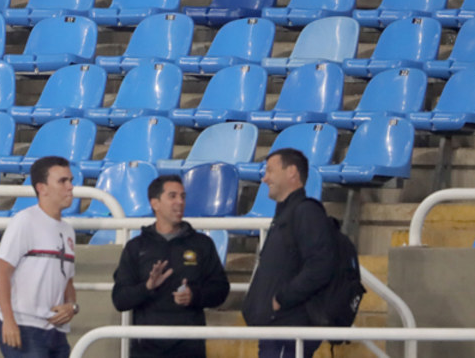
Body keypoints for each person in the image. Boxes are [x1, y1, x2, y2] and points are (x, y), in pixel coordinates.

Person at [111, 175, 230, 358]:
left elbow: (220, 290)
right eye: (172, 196)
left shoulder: (202, 244)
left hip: (190, 346)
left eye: (183, 196)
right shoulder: (136, 247)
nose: (180, 202)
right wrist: (147, 287)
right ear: (155, 203)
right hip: (147, 348)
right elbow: (120, 299)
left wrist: (194, 295)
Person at [242, 149, 336, 358]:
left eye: (270, 171)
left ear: (292, 172)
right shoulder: (286, 215)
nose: (264, 178)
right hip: (277, 328)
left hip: (290, 328)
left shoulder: (306, 212)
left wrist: (282, 299)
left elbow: (320, 266)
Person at [0, 156, 79, 357]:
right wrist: (9, 320)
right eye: (62, 181)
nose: (70, 187)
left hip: (55, 330)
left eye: (70, 180)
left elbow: (67, 281)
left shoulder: (68, 230)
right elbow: (1, 272)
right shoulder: (24, 221)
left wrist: (72, 307)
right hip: (25, 325)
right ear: (42, 188)